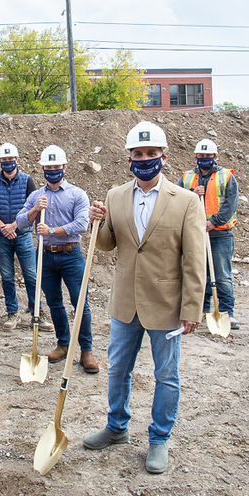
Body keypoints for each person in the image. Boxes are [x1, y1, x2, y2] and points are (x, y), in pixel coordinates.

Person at [83, 122, 207, 474]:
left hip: (166, 305)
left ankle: (159, 439)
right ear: (129, 159)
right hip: (125, 303)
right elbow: (107, 245)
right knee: (118, 369)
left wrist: (191, 308)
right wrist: (98, 223)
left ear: (164, 157)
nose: (145, 159)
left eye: (151, 153)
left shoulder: (185, 202)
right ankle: (116, 427)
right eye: (138, 154)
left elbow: (195, 260)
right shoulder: (115, 196)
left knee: (166, 375)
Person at [16, 145, 97, 373]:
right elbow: (21, 221)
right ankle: (63, 344)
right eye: (48, 167)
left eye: (56, 166)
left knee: (80, 303)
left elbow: (81, 225)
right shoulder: (35, 196)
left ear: (64, 167)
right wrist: (34, 210)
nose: (52, 170)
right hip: (45, 256)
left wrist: (51, 231)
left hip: (71, 255)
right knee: (54, 303)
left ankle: (86, 351)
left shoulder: (77, 194)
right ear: (42, 168)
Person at [0, 142, 50, 332]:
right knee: (7, 276)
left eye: (10, 159)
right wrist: (3, 227)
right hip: (1, 236)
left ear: (17, 160)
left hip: (23, 235)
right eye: (4, 160)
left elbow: (33, 208)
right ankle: (12, 313)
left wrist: (14, 226)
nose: (7, 162)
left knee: (31, 275)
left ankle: (37, 312)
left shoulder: (28, 181)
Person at [178, 137, 240, 329]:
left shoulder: (227, 177)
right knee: (199, 273)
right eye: (201, 155)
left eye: (208, 155)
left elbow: (231, 204)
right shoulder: (187, 177)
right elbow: (177, 199)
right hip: (195, 234)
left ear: (215, 156)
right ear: (196, 156)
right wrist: (192, 194)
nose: (204, 158)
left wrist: (213, 222)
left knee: (222, 275)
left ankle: (227, 312)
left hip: (220, 234)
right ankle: (203, 310)